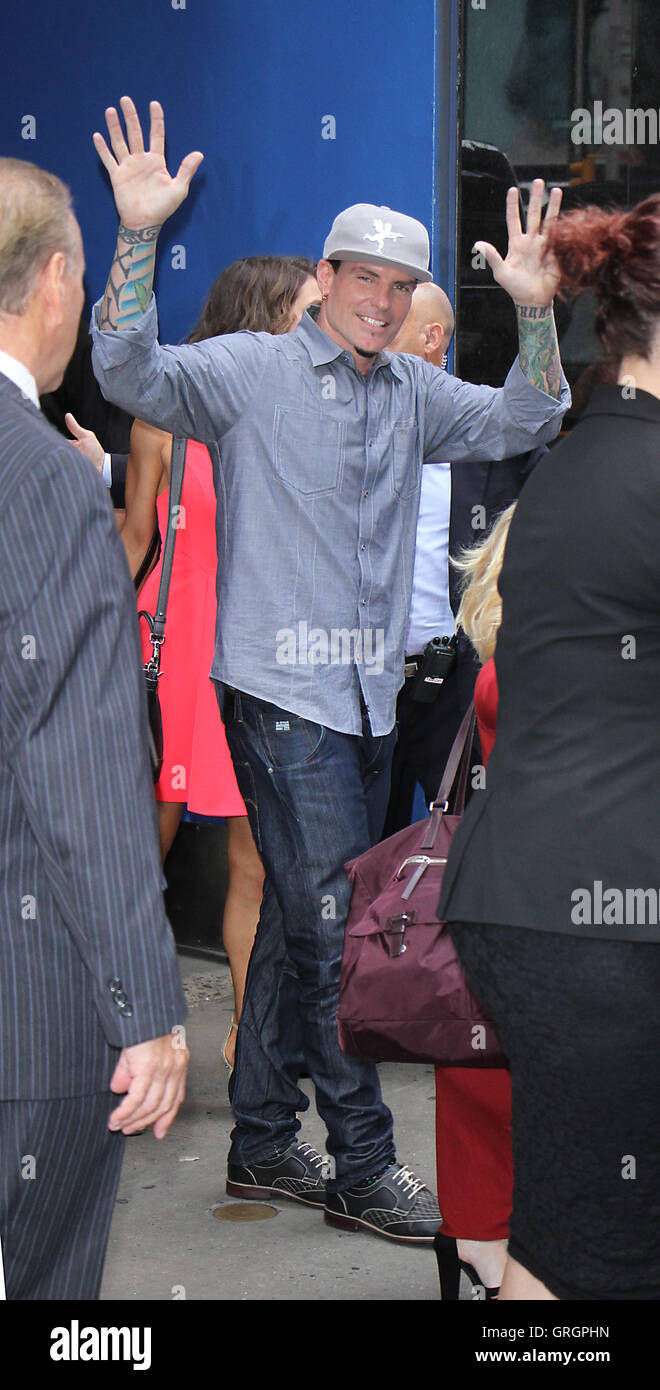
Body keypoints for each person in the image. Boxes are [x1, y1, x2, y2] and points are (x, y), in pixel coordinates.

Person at [90, 96, 569, 1244]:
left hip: (363, 697)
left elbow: (530, 416)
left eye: (402, 291)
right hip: (275, 695)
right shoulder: (247, 371)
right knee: (331, 925)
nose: (385, 303)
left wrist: (537, 318)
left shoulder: (409, 391)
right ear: (325, 275)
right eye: (367, 281)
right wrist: (141, 234)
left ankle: (261, 1141)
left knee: (315, 916)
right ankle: (361, 1160)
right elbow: (121, 362)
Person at [440, 192, 660, 1300]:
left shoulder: (578, 460)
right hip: (597, 926)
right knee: (595, 1252)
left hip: (545, 904)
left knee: (578, 1234)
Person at [0, 156, 189, 1300]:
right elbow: (77, 772)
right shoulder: (46, 483)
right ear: (58, 279)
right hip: (30, 1011)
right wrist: (148, 1006)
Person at [123, 256, 320, 1068]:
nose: (322, 327)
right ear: (261, 315)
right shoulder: (164, 416)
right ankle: (122, 1031)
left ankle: (251, 1041)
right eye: (306, 311)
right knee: (136, 856)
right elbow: (133, 542)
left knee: (258, 864)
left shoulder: (308, 412)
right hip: (172, 665)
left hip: (259, 664)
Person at [383, 284, 545, 835]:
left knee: (465, 844)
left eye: (391, 322)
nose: (372, 330)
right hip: (359, 681)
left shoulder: (492, 430)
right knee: (350, 858)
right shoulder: (345, 422)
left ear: (432, 339)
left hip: (456, 685)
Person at [433, 504, 517, 1299]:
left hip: (488, 891)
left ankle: (473, 1239)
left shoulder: (503, 654)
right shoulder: (528, 666)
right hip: (526, 899)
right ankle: (486, 1253)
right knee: (494, 1075)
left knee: (476, 1068)